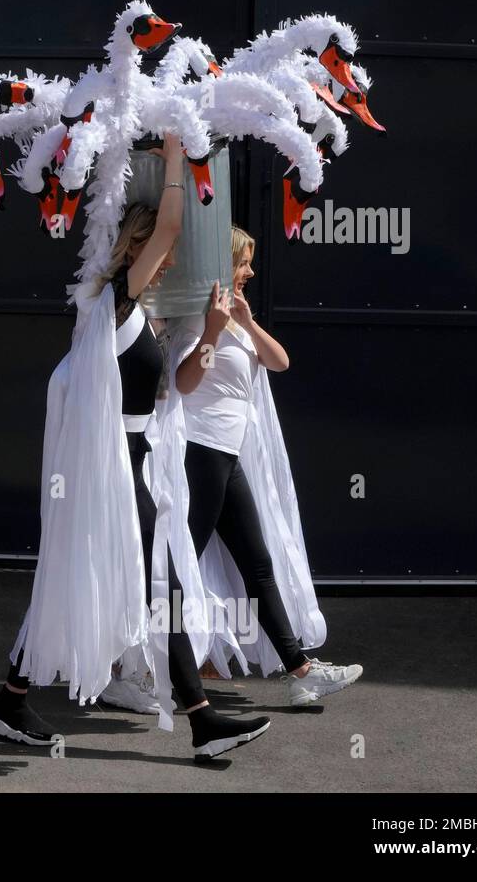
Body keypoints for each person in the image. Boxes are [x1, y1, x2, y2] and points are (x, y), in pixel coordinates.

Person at [0, 137, 270, 760]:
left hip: (130, 470)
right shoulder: (111, 303)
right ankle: (200, 721)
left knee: (114, 588)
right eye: (156, 256)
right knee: (132, 590)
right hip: (111, 475)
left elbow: (174, 393)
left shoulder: (139, 316)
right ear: (132, 251)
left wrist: (212, 336)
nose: (167, 263)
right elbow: (171, 225)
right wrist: (175, 157)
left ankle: (13, 700)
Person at [168, 224, 363, 704]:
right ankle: (131, 662)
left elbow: (280, 362)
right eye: (243, 262)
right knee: (179, 566)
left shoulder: (233, 317)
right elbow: (185, 382)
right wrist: (213, 331)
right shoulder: (197, 319)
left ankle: (300, 670)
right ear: (222, 265)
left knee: (257, 564)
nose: (250, 270)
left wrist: (246, 322)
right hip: (200, 452)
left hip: (226, 456)